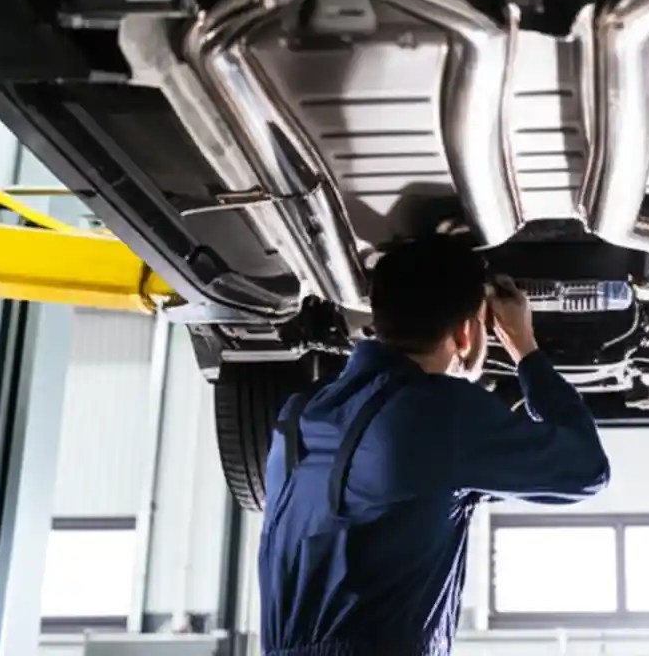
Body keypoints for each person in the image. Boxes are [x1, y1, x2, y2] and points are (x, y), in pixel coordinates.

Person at [258, 237, 611, 656]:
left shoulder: (301, 413)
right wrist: (524, 348)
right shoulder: (437, 413)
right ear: (465, 333)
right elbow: (586, 470)